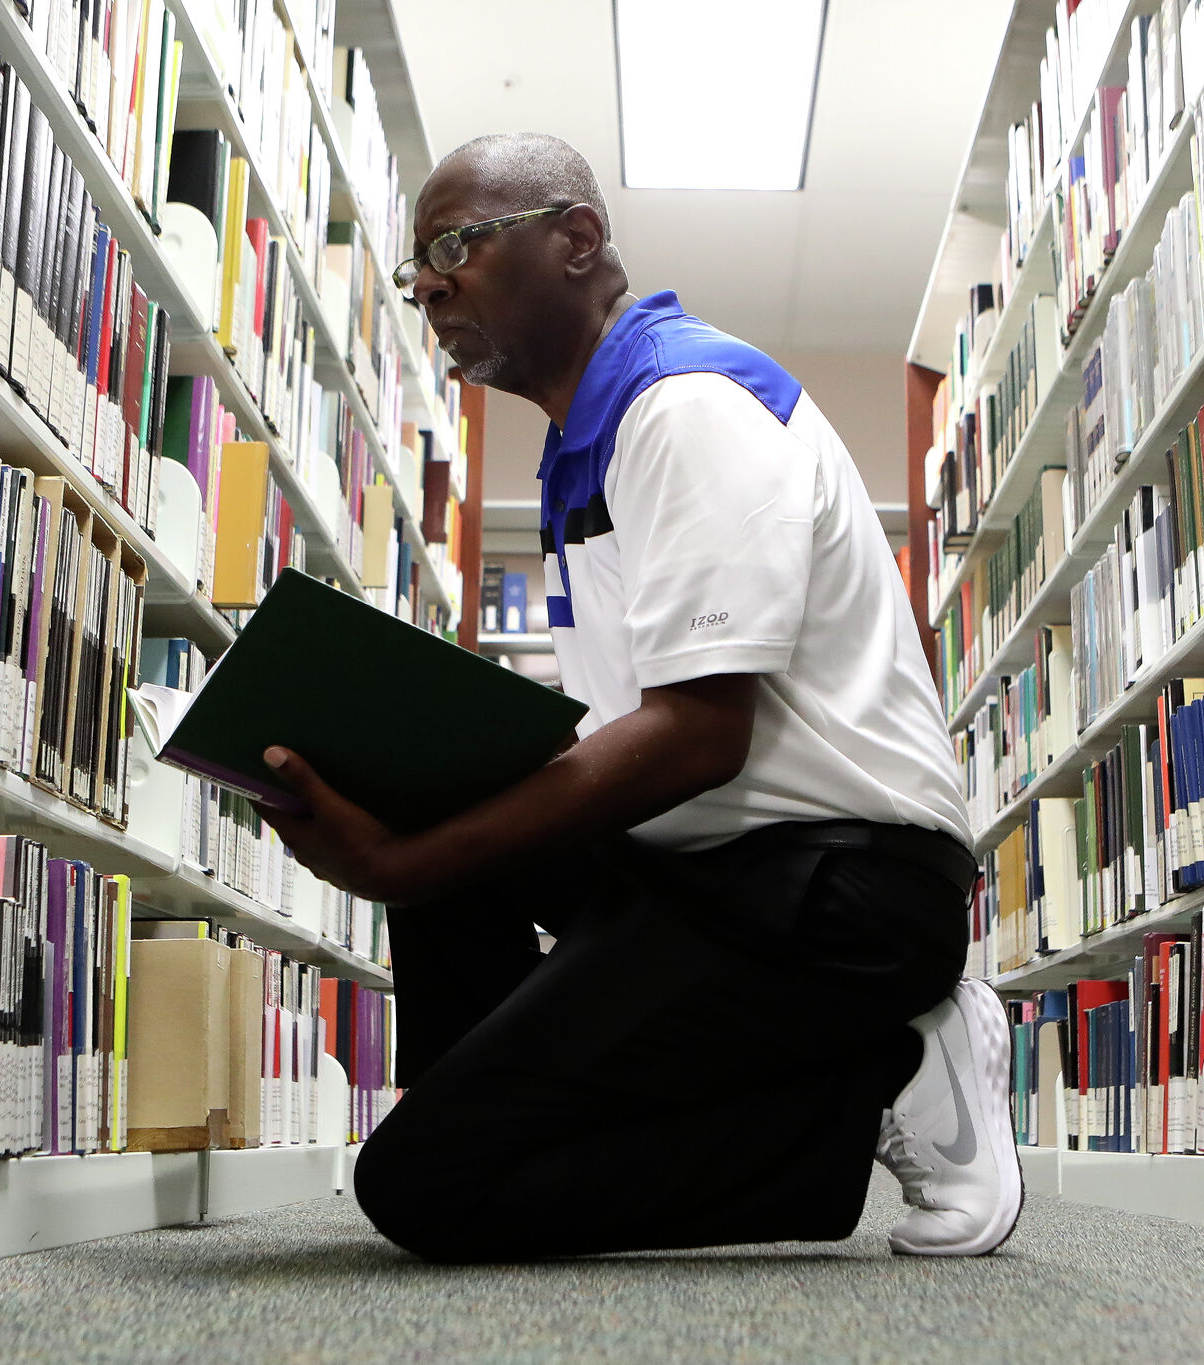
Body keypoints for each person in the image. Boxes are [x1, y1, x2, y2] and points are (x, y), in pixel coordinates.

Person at [252, 132, 1020, 1263]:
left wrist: (405, 870)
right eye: (418, 265)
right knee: (429, 794)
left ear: (577, 242)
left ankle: (883, 1077)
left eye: (456, 244)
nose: (427, 284)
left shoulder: (681, 403)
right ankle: (491, 1103)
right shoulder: (582, 448)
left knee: (425, 1193)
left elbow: (700, 737)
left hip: (840, 896)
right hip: (708, 871)